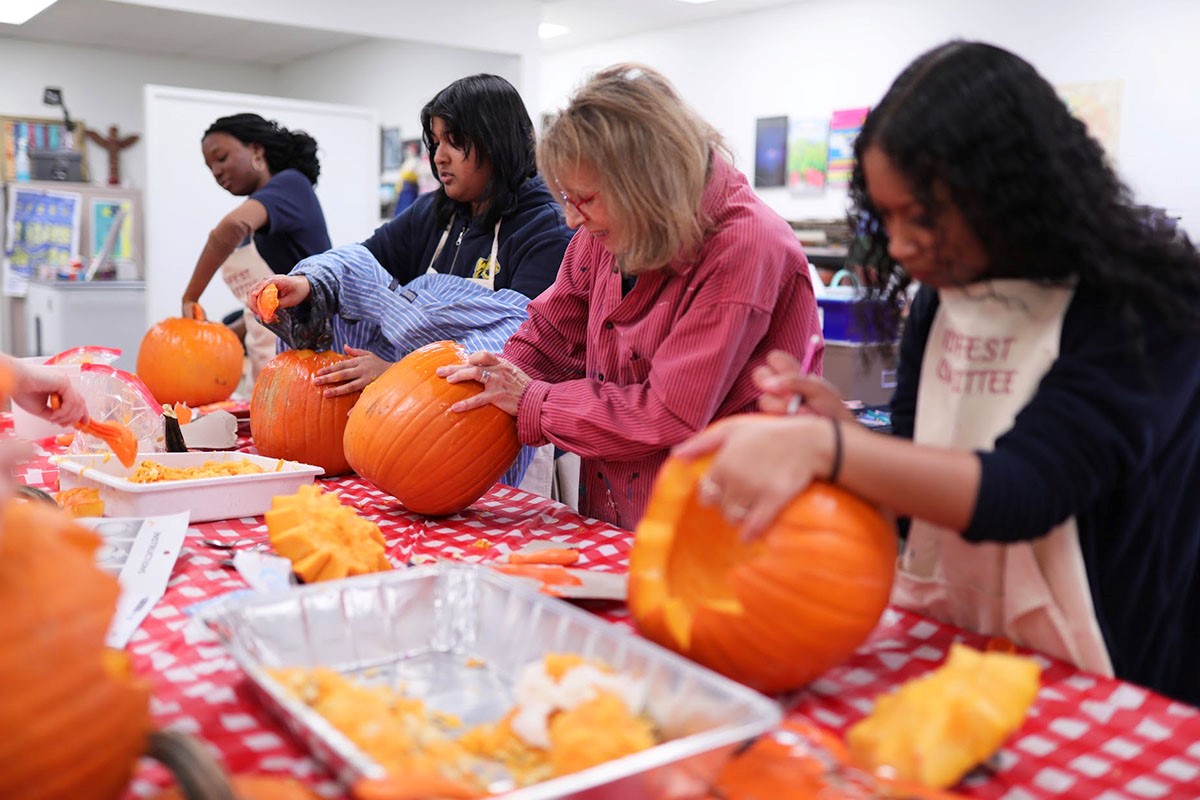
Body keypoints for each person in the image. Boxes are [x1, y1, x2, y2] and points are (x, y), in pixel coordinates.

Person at [675, 41, 1200, 705]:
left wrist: (833, 450)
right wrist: (851, 438)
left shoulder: (1141, 303)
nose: (898, 245)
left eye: (922, 217)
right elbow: (924, 485)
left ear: (1011, 188)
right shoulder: (942, 302)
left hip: (1118, 669)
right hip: (966, 645)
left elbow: (1027, 488)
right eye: (886, 217)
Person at [436, 63, 822, 530]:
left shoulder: (745, 247)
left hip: (722, 521)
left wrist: (534, 402)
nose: (573, 221)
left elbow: (668, 412)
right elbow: (550, 334)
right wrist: (493, 384)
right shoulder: (605, 232)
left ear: (647, 187)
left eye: (588, 200)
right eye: (567, 198)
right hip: (618, 514)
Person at [249, 73, 572, 397]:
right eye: (435, 142)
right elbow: (361, 265)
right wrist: (310, 284)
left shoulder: (545, 228)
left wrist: (400, 373)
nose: (438, 157)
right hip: (404, 411)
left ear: (497, 141)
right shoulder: (434, 212)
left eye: (454, 141)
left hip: (481, 420)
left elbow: (520, 347)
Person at [182, 113, 332, 378]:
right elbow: (270, 306)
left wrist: (190, 297)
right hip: (280, 352)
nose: (216, 171)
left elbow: (228, 230)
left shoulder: (290, 184)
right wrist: (224, 337)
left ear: (256, 150)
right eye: (210, 167)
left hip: (307, 357)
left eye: (221, 158)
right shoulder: (265, 209)